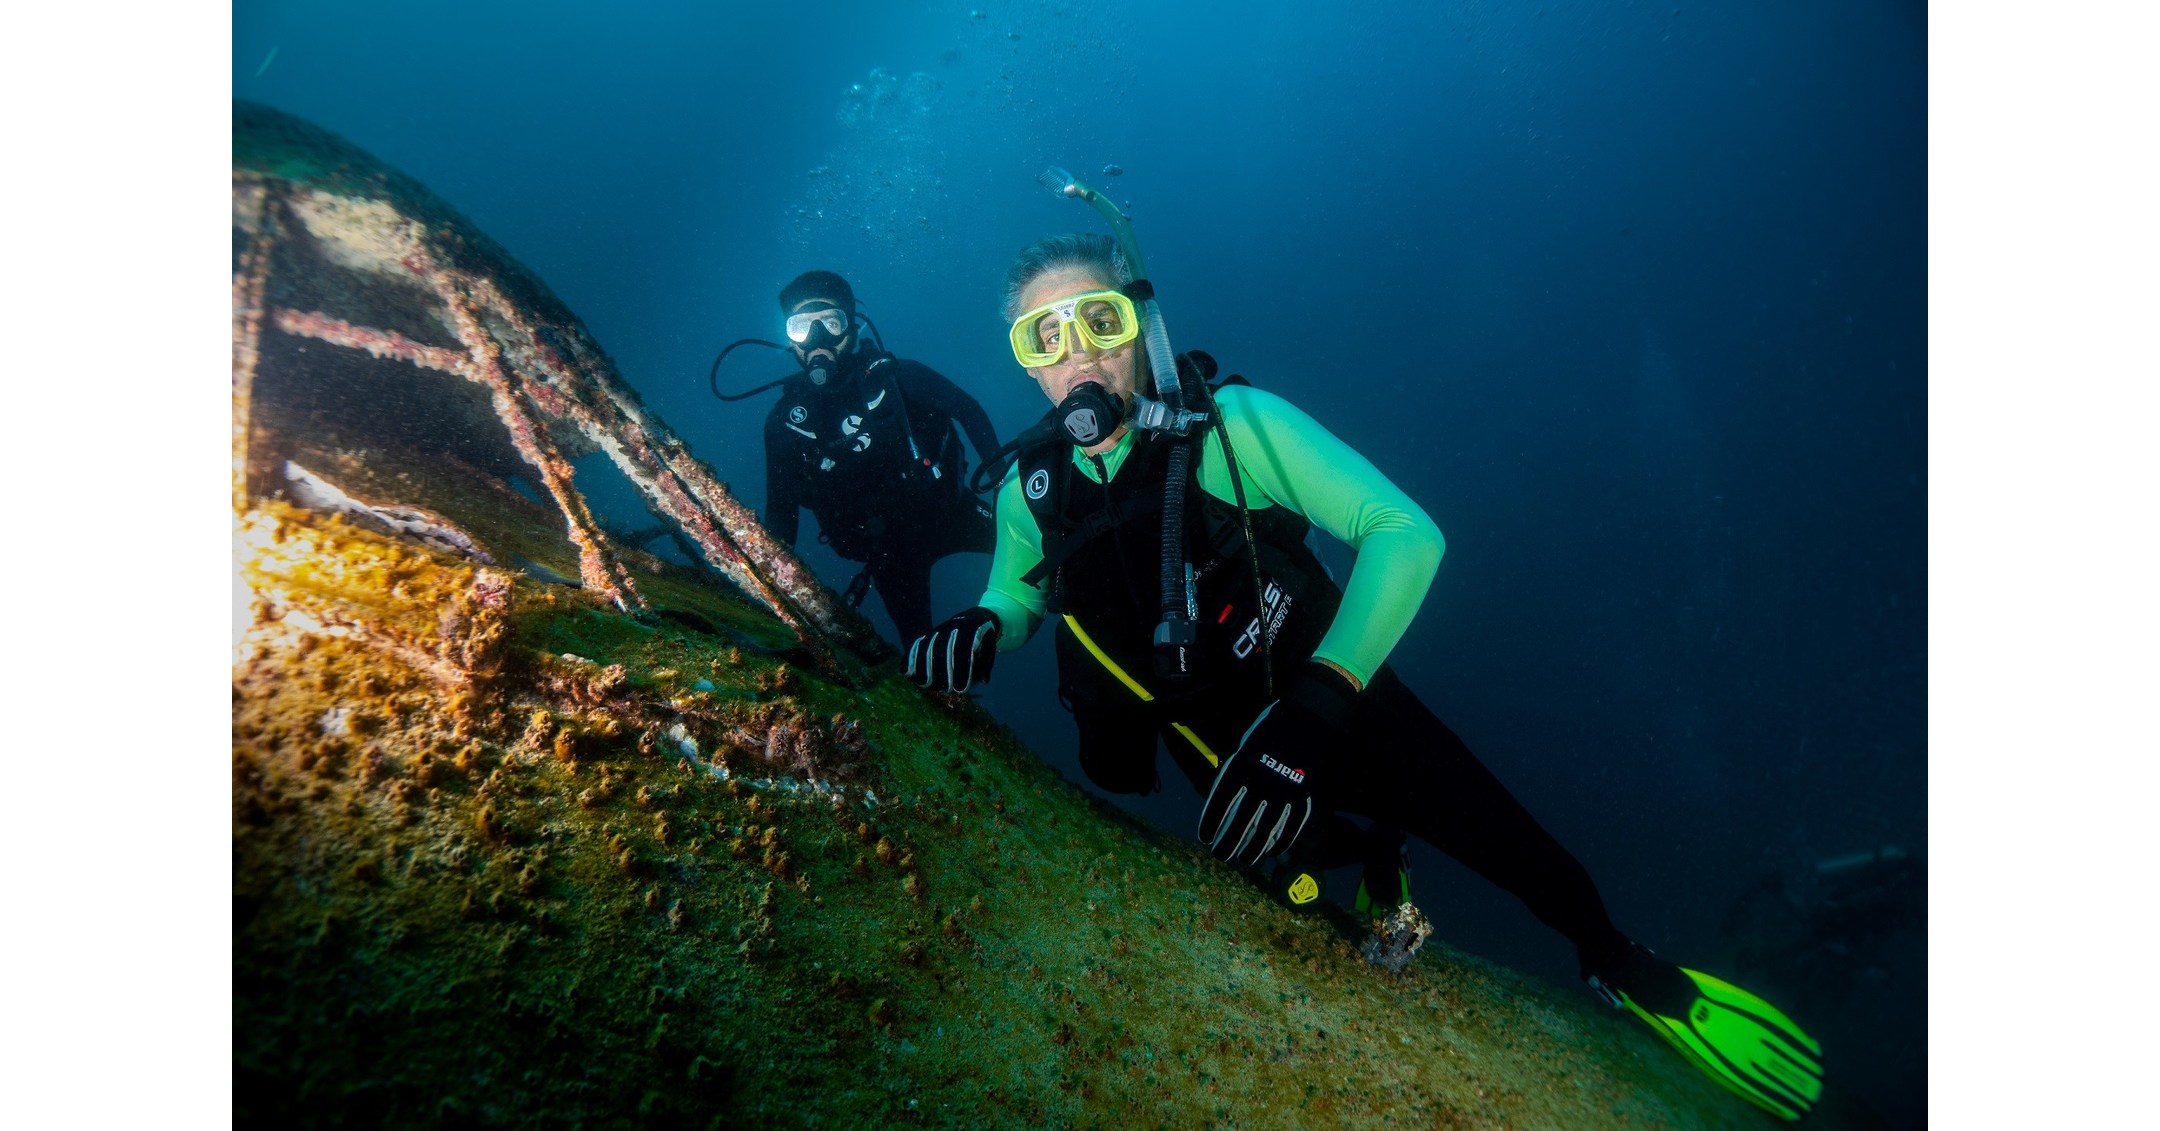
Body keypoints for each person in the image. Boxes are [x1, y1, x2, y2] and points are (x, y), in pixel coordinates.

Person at [905, 233, 1826, 1121]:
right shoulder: (1031, 489)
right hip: (1219, 750)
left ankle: (1622, 963)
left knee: (1519, 851)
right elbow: (1017, 590)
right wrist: (986, 626)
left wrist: (1320, 701)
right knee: (1308, 900)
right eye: (1044, 336)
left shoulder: (1232, 430)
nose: (1077, 355)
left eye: (1099, 321)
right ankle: (1377, 852)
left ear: (1141, 326)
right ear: (1027, 363)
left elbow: (1406, 533)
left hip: (1339, 708)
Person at [761, 270, 1001, 644]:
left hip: (951, 512)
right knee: (918, 647)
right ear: (789, 339)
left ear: (852, 327)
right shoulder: (785, 424)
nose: (818, 339)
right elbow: (780, 513)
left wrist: (1005, 485)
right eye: (801, 327)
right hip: (888, 553)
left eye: (830, 323)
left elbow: (968, 410)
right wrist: (768, 586)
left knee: (1039, 550)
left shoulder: (900, 378)